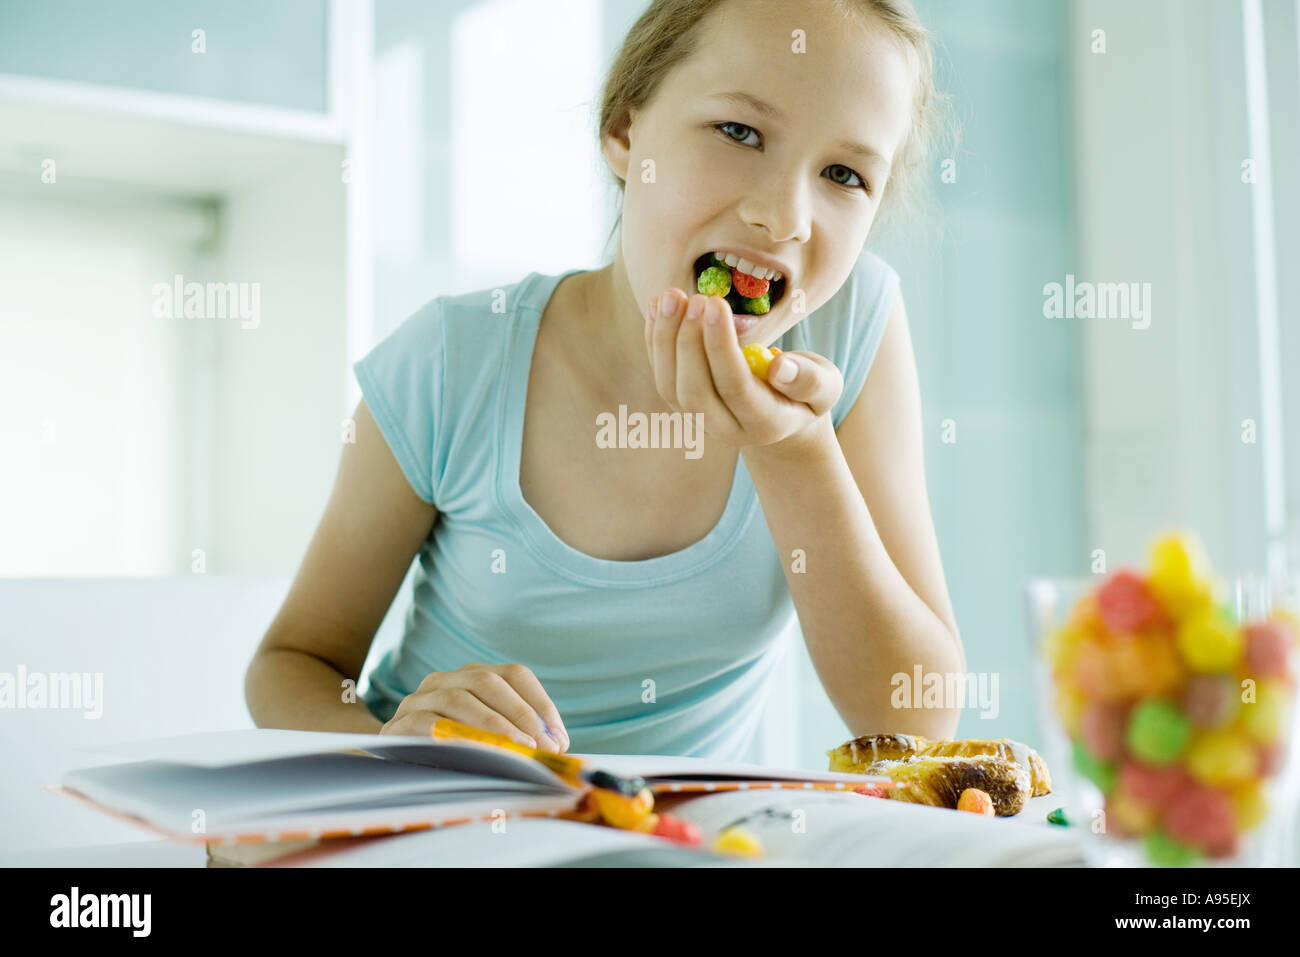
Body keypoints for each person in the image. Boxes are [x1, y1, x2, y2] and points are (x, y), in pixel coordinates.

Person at [245, 0, 965, 759]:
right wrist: (390, 750)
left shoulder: (852, 327)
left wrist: (795, 451)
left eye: (845, 174)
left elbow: (914, 723)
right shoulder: (456, 358)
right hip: (440, 820)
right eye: (739, 132)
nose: (782, 216)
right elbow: (291, 666)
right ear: (624, 132)